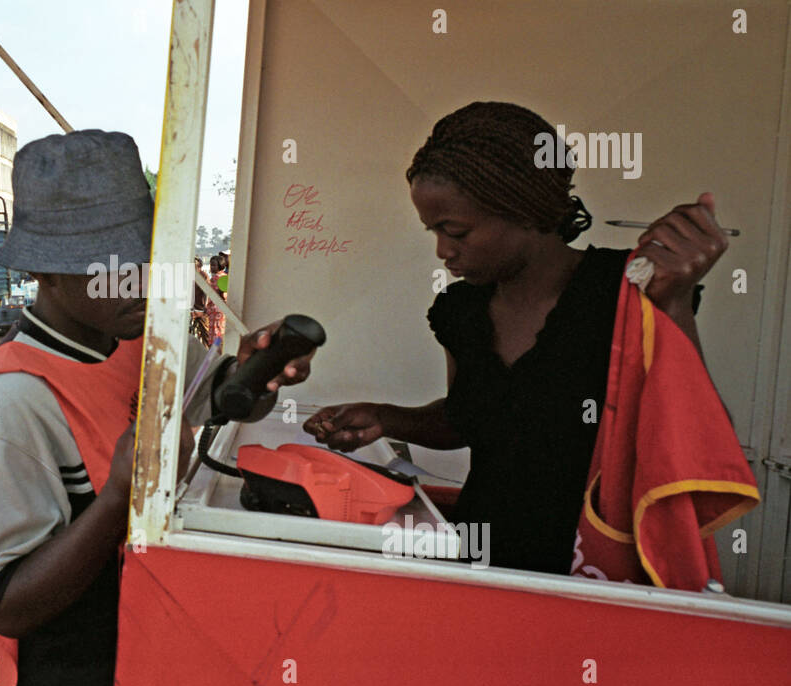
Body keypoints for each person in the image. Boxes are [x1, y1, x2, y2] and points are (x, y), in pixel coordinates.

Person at [0, 130, 316, 686]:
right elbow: (7, 603)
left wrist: (258, 374)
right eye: (109, 267)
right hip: (55, 682)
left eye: (146, 258)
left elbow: (216, 397)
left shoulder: (140, 341)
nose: (137, 281)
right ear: (44, 271)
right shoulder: (12, 401)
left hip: (134, 659)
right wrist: (121, 497)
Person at [303, 101, 729, 576]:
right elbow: (471, 419)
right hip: (478, 560)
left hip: (598, 574)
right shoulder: (460, 310)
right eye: (434, 232)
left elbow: (696, 438)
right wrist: (385, 419)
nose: (443, 251)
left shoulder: (628, 293)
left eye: (455, 230)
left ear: (524, 210)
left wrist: (672, 303)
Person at [203, 251, 228, 346]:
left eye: (213, 265)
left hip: (217, 312)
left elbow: (224, 295)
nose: (211, 267)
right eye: (211, 265)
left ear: (220, 266)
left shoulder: (218, 278)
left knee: (216, 336)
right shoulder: (224, 277)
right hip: (218, 312)